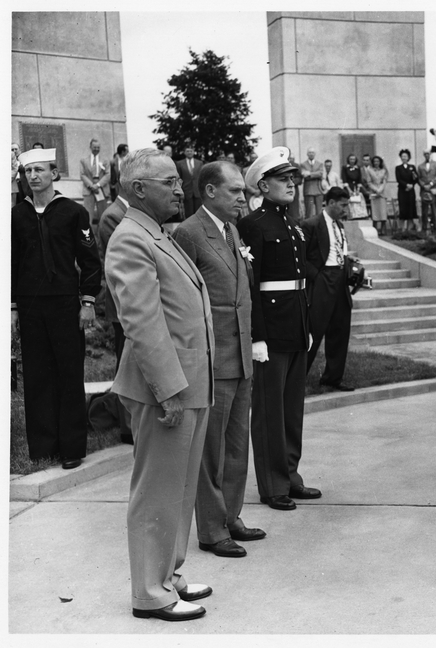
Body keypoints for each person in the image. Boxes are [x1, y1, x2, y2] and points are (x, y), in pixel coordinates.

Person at [105, 148, 215, 622]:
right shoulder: (132, 238)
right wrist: (169, 388)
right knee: (156, 490)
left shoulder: (157, 233)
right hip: (164, 387)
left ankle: (168, 575)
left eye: (177, 180)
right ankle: (150, 593)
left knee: (180, 488)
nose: (179, 188)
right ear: (137, 190)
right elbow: (143, 323)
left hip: (188, 381)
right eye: (169, 182)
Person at [173, 161, 266, 559]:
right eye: (236, 192)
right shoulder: (189, 233)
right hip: (213, 361)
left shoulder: (233, 230)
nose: (243, 199)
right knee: (210, 450)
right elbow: (180, 299)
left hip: (241, 357)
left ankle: (231, 516)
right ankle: (211, 530)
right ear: (210, 191)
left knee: (235, 445)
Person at [239, 146, 321, 512]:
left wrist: (305, 325)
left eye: (292, 179)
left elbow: (300, 280)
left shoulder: (293, 225)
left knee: (291, 408)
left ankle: (290, 476)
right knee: (271, 409)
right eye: (283, 179)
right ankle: (272, 485)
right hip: (270, 329)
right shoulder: (253, 225)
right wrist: (257, 336)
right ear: (262, 185)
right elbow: (250, 285)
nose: (291, 184)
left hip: (294, 323)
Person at [11, 147, 101, 468]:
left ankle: (71, 448)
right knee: (36, 376)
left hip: (65, 304)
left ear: (54, 173)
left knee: (67, 373)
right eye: (28, 172)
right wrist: (12, 308)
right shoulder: (17, 215)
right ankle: (43, 447)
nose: (33, 176)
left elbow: (90, 261)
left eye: (40, 170)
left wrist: (88, 300)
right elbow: (12, 262)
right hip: (30, 306)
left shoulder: (72, 212)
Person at [302, 186, 356, 392]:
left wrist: (350, 266)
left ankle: (333, 377)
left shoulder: (340, 226)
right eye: (343, 205)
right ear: (331, 203)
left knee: (340, 331)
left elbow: (338, 252)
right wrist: (317, 276)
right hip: (322, 281)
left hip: (340, 280)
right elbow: (301, 257)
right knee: (313, 332)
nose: (345, 209)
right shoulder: (311, 224)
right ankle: (297, 377)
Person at [96, 185, 134, 444]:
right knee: (125, 366)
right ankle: (127, 427)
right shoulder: (113, 215)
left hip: (133, 304)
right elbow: (121, 262)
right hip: (123, 305)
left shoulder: (128, 212)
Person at [79, 138, 111, 238]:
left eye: (98, 147)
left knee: (103, 214)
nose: (96, 149)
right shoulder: (84, 160)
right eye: (94, 147)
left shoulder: (105, 160)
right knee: (88, 214)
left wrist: (98, 185)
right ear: (90, 147)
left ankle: (102, 237)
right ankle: (88, 237)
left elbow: (108, 174)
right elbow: (82, 175)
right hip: (89, 189)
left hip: (101, 189)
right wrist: (91, 185)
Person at [176, 143, 204, 217]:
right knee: (189, 213)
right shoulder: (179, 164)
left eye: (191, 151)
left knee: (199, 212)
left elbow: (202, 177)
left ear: (193, 152)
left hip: (197, 191)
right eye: (187, 151)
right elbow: (179, 178)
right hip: (186, 191)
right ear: (185, 152)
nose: (189, 152)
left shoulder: (199, 163)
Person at [364, 155, 389, 235]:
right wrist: (375, 190)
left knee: (382, 212)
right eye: (375, 161)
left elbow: (384, 181)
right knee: (375, 212)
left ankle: (383, 229)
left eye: (378, 161)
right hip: (373, 192)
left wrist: (380, 190)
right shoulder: (369, 170)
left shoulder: (384, 170)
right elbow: (369, 182)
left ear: (380, 162)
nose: (376, 163)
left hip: (382, 193)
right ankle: (375, 230)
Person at [417, 150, 436, 234]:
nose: (427, 155)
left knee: (434, 210)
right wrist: (424, 185)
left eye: (428, 154)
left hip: (433, 189)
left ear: (430, 154)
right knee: (425, 210)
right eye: (425, 154)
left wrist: (431, 184)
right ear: (424, 155)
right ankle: (424, 229)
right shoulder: (420, 166)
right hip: (424, 190)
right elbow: (418, 178)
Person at [395, 149, 419, 232]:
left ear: (408, 157)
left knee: (411, 209)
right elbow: (399, 179)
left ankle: (409, 229)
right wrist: (406, 185)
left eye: (405, 156)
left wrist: (412, 185)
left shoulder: (412, 167)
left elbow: (416, 178)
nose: (404, 158)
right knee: (403, 209)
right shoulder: (398, 168)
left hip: (411, 191)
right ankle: (402, 229)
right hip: (402, 191)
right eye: (402, 156)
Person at [300, 147, 324, 219]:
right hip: (308, 190)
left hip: (318, 189)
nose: (311, 154)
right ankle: (309, 228)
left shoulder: (320, 164)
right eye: (309, 152)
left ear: (315, 154)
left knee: (319, 212)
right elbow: (304, 175)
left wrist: (309, 174)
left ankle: (319, 228)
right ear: (307, 154)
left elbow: (321, 174)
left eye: (312, 152)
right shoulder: (303, 164)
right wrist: (315, 174)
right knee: (309, 212)